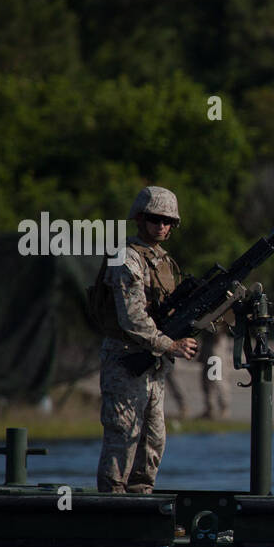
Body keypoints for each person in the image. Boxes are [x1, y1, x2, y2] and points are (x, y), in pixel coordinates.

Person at [94, 186, 198, 492]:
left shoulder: (163, 261)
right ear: (139, 218)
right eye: (155, 219)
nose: (162, 226)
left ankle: (141, 499)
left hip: (153, 365)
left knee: (153, 439)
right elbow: (132, 318)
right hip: (125, 360)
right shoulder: (125, 258)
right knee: (123, 435)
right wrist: (170, 344)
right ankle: (112, 506)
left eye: (169, 221)